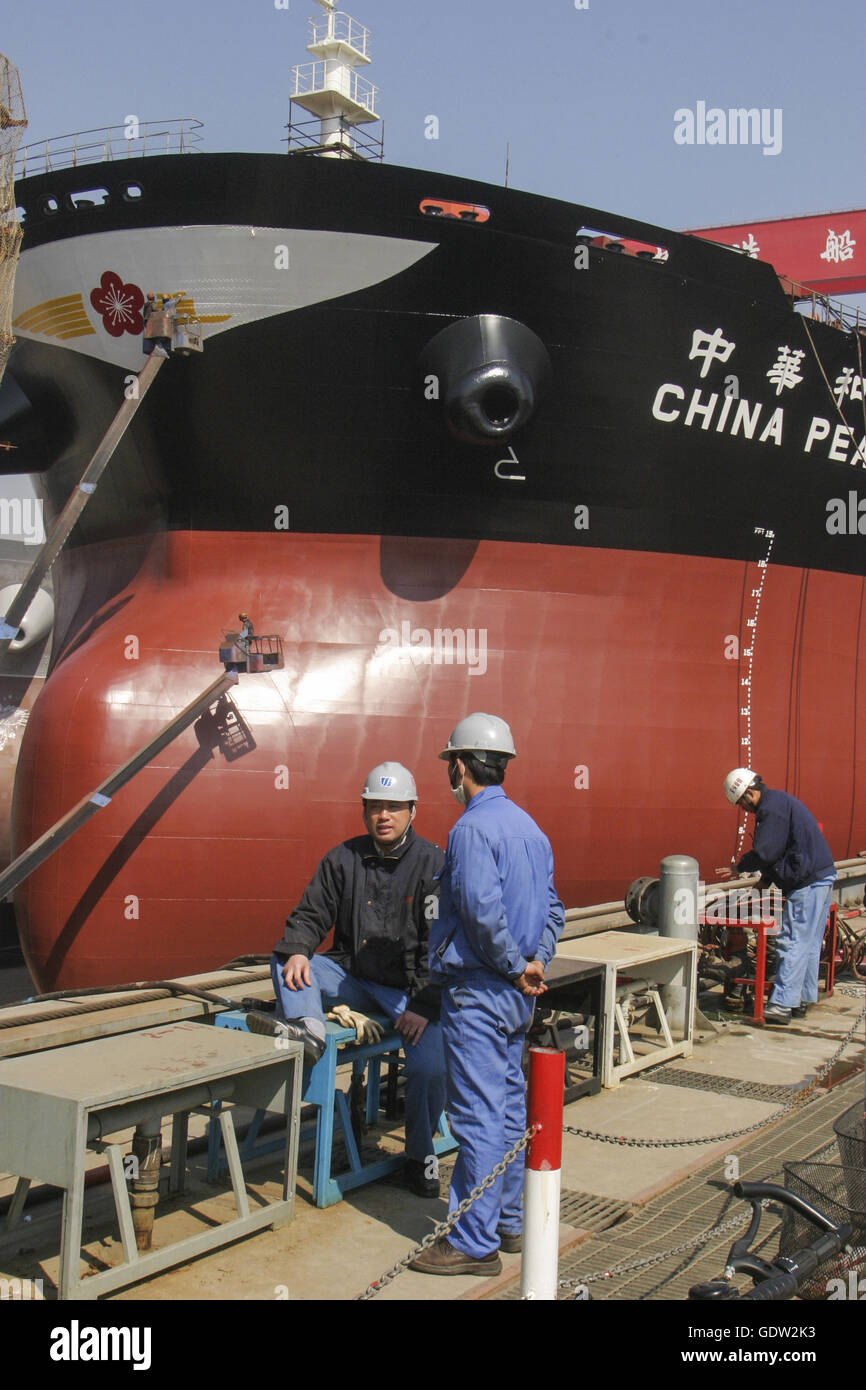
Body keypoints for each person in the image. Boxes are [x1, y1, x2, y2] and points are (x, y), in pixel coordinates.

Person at [246, 761, 447, 1196]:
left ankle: (419, 1159)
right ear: (363, 810)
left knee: (431, 1067)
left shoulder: (433, 865)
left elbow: (440, 946)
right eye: (376, 806)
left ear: (413, 810)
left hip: (409, 994)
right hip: (354, 978)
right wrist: (299, 948)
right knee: (288, 961)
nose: (384, 816)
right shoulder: (342, 859)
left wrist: (421, 1006)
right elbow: (310, 914)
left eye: (394, 807)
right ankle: (309, 1031)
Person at [409, 714, 565, 1276]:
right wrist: (535, 963)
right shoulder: (530, 828)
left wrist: (509, 965)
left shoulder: (470, 831)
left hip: (479, 990)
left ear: (459, 765)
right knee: (506, 1108)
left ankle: (474, 1244)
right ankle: (507, 1221)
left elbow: (478, 912)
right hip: (516, 997)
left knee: (475, 1115)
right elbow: (553, 909)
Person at [719, 768, 836, 1025]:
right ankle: (801, 999)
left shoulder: (771, 811)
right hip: (820, 877)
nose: (743, 809)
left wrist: (738, 867)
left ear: (749, 792)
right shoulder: (779, 803)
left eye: (741, 803)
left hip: (807, 882)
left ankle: (782, 1004)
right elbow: (783, 848)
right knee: (808, 943)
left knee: (792, 942)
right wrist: (765, 881)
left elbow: (766, 852)